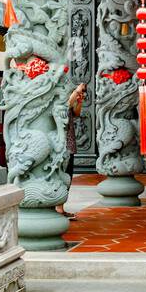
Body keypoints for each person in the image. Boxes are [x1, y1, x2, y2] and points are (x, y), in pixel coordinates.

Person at [56, 83, 86, 219]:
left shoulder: (65, 95)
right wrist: (74, 94)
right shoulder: (52, 96)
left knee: (68, 174)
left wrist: (79, 101)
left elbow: (76, 113)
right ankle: (55, 207)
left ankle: (60, 208)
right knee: (59, 174)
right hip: (58, 142)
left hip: (69, 140)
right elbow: (61, 110)